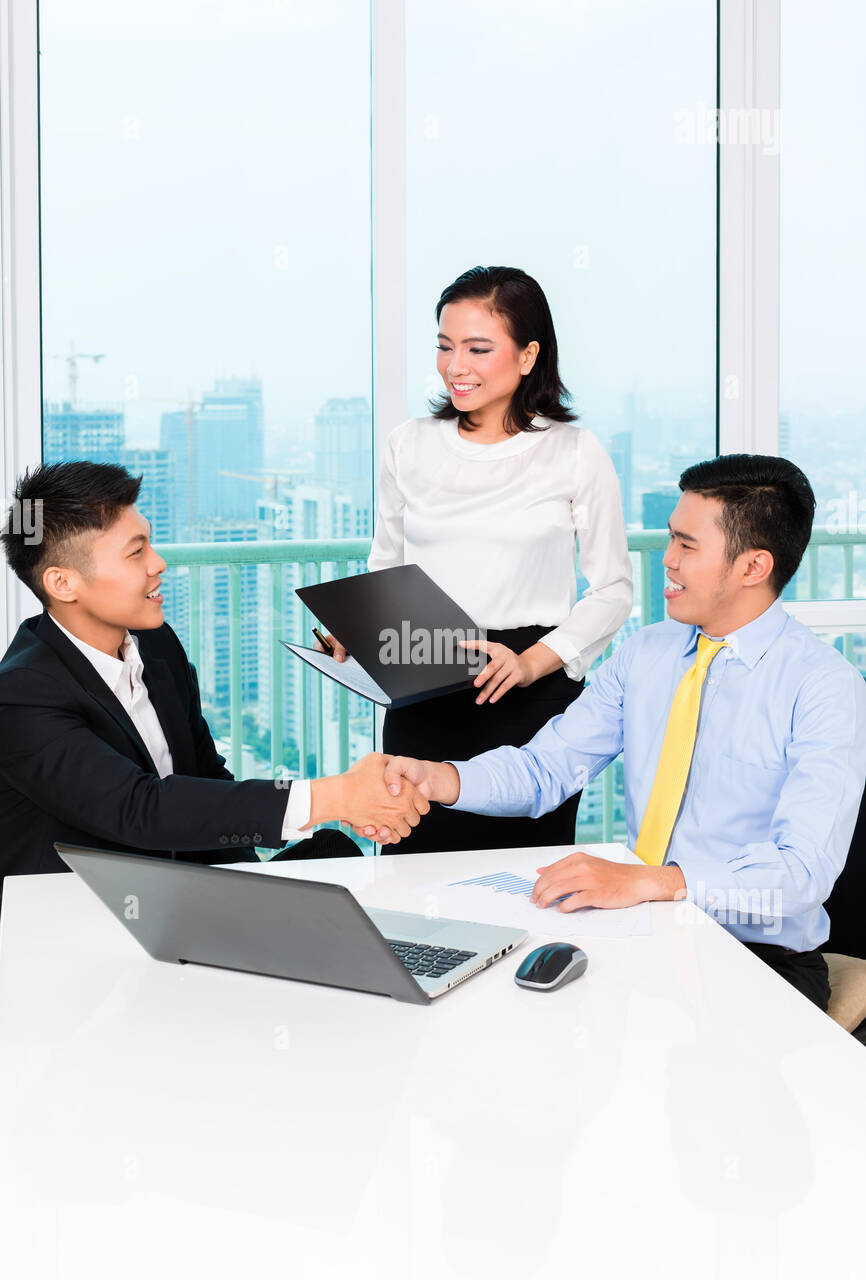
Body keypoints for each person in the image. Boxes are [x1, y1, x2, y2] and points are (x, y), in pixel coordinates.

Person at [381, 455, 866, 1010]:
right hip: (644, 930)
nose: (668, 561)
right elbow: (547, 769)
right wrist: (439, 778)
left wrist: (649, 881)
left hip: (758, 954)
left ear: (753, 567)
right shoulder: (647, 653)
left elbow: (801, 874)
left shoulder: (825, 687)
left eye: (687, 546)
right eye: (670, 540)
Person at [0, 461, 427, 903]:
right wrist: (333, 797)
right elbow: (142, 808)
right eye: (136, 552)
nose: (158, 564)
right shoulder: (21, 696)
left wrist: (251, 886)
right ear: (63, 582)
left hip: (183, 901)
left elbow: (206, 777)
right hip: (87, 921)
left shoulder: (156, 644)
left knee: (335, 860)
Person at [320, 265, 632, 854]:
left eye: (478, 348)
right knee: (413, 864)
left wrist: (532, 664)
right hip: (422, 682)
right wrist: (357, 630)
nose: (455, 366)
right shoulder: (408, 443)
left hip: (528, 691)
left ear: (528, 355)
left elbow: (613, 589)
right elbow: (386, 563)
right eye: (445, 346)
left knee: (526, 878)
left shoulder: (573, 453)